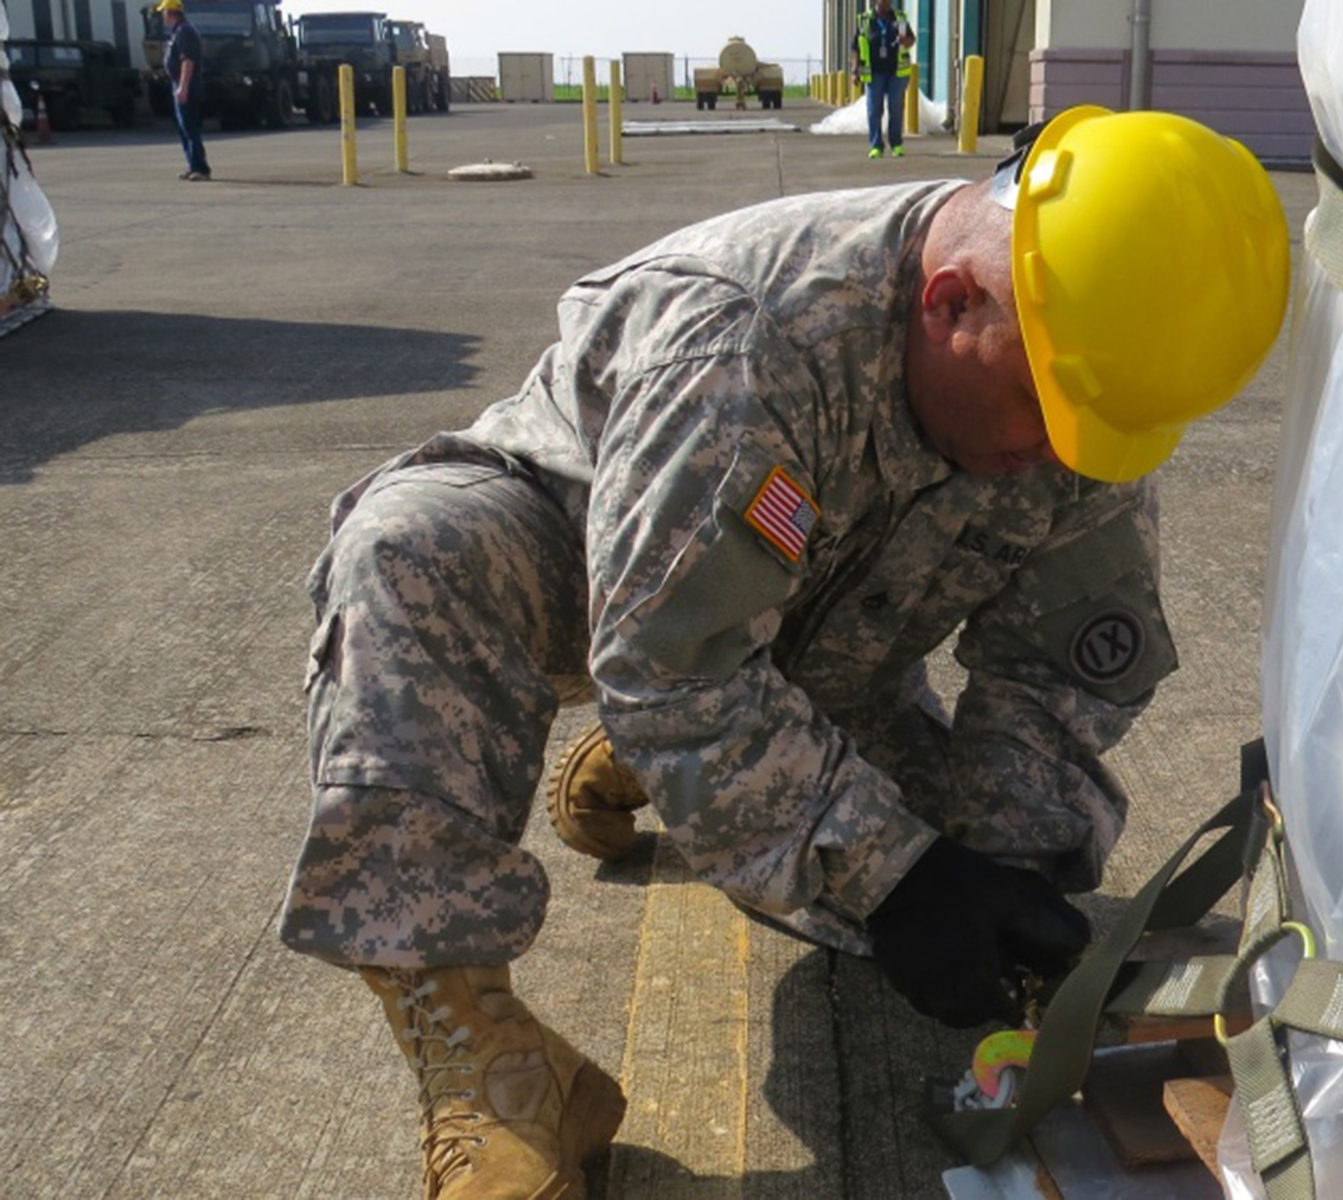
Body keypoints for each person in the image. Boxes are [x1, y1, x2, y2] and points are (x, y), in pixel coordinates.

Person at [278, 105, 1290, 1197]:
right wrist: (896, 877)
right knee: (409, 548)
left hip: (820, 653)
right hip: (602, 592)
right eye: (1039, 417)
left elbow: (1054, 674)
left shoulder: (1078, 371)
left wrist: (1002, 873)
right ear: (950, 303)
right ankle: (492, 1071)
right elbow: (667, 662)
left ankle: (687, 763)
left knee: (957, 900)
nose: (1047, 459)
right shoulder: (751, 336)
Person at [853, 0, 915, 158]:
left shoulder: (899, 19)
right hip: (874, 72)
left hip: (896, 71)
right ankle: (875, 145)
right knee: (874, 110)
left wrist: (905, 41)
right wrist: (855, 70)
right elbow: (855, 47)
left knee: (895, 109)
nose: (886, 3)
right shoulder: (865, 20)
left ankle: (896, 144)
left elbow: (911, 40)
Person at [157, 0, 210, 181]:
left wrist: (183, 86)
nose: (162, 15)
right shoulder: (178, 32)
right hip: (180, 83)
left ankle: (201, 168)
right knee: (184, 128)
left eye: (163, 12)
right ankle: (192, 165)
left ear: (170, 12)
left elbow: (188, 61)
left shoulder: (184, 32)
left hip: (187, 84)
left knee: (190, 127)